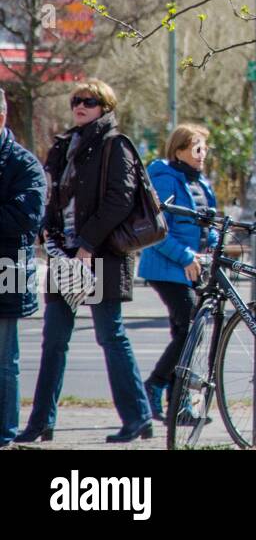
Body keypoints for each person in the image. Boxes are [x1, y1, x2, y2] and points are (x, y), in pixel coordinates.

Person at [16, 79, 153, 444]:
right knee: (53, 339)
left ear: (105, 106)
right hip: (65, 254)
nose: (80, 106)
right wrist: (49, 234)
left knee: (110, 335)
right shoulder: (63, 146)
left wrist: (89, 245)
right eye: (76, 100)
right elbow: (50, 196)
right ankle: (42, 421)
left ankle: (138, 416)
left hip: (101, 254)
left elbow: (120, 199)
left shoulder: (115, 144)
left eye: (89, 101)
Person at [138, 123, 218, 422]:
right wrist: (185, 256)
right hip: (168, 267)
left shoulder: (200, 182)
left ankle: (179, 406)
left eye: (204, 149)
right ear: (179, 150)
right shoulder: (164, 179)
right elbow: (156, 229)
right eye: (197, 148)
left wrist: (213, 245)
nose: (202, 154)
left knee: (185, 333)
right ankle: (155, 384)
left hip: (192, 268)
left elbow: (204, 225)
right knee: (188, 330)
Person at [0, 89, 47, 447]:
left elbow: (25, 217)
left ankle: (4, 432)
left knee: (4, 358)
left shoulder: (24, 163)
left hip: (8, 269)